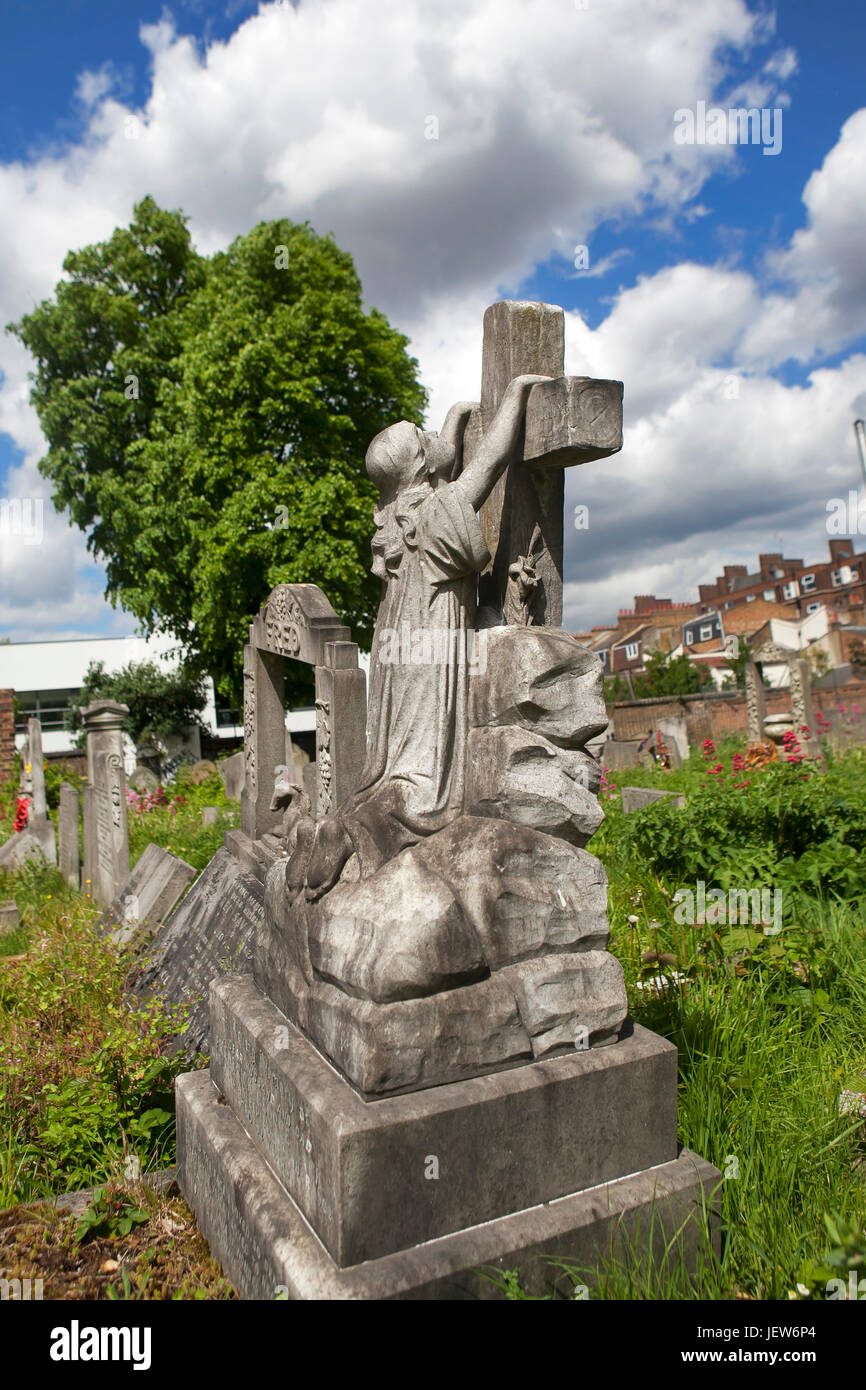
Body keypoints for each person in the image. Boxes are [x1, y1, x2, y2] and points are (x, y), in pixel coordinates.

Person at [289, 374, 549, 900]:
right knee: (425, 781)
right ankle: (358, 837)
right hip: (430, 647)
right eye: (422, 434)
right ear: (420, 467)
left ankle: (338, 828)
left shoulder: (397, 516)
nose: (433, 436)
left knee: (391, 763)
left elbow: (444, 455)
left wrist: (454, 416)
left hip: (397, 645)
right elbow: (489, 463)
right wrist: (518, 391)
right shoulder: (436, 511)